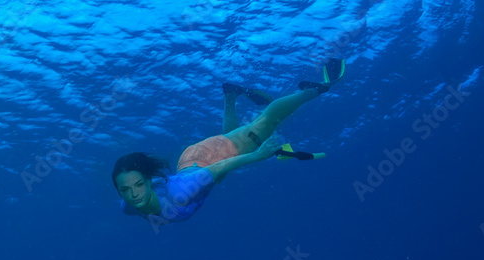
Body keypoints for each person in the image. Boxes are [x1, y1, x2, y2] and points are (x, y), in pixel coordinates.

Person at [113, 59, 346, 226]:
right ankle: (231, 96)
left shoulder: (180, 192)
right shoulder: (127, 207)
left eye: (139, 185)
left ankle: (316, 89)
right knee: (234, 142)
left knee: (263, 126)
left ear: (147, 182)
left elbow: (220, 166)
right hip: (191, 163)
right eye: (125, 189)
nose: (134, 194)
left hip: (205, 161)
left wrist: (259, 155)